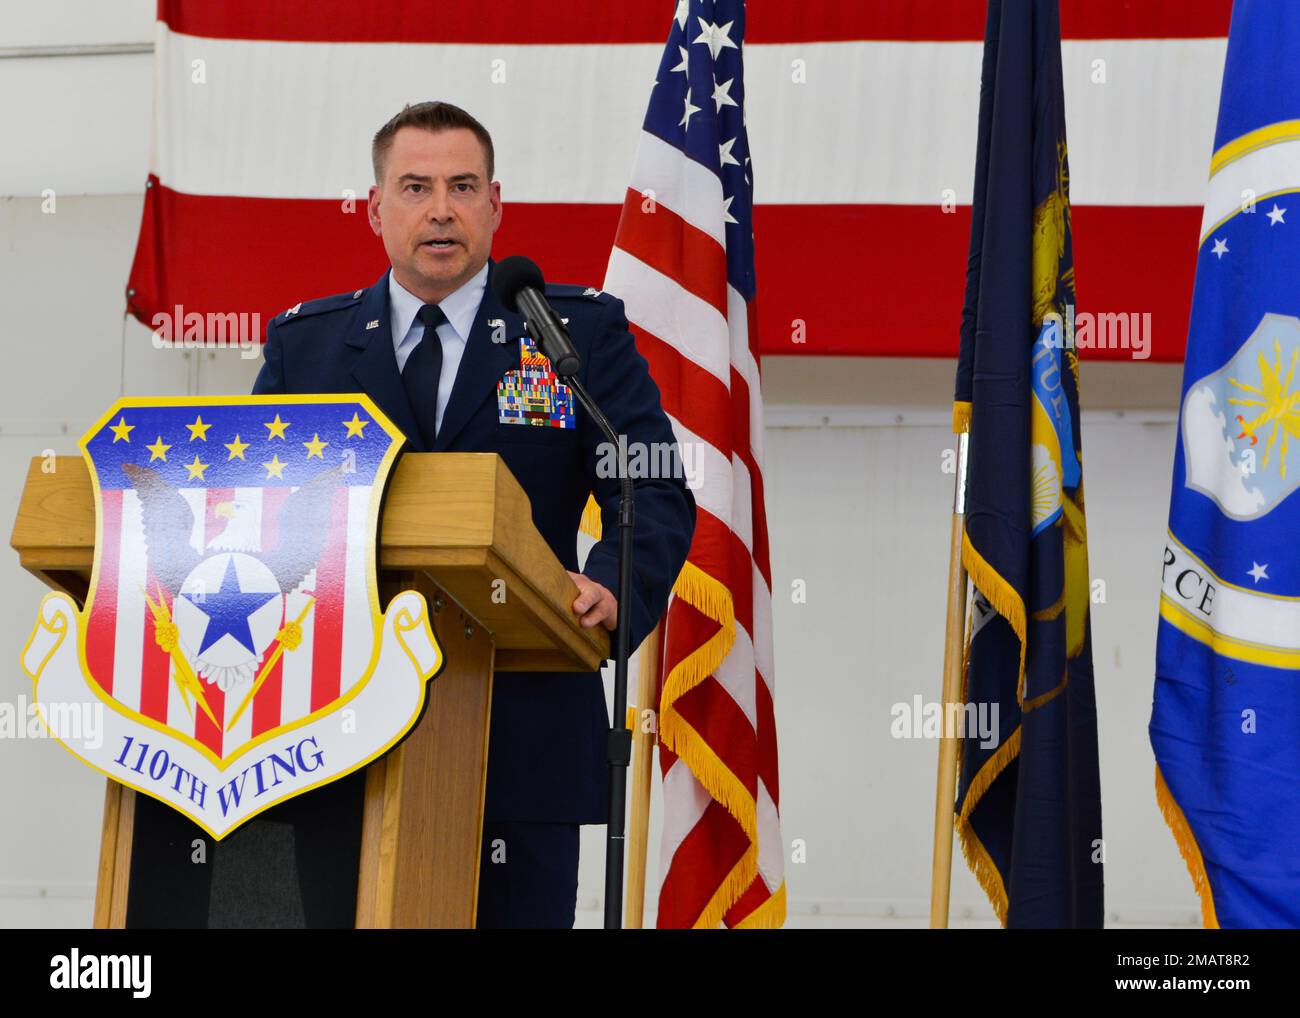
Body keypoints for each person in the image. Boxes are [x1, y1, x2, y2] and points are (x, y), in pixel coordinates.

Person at [127, 101, 694, 929]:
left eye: (463, 187)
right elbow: (244, 514)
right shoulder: (307, 347)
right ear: (375, 208)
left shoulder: (571, 334)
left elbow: (648, 483)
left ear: (495, 205)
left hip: (523, 724)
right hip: (336, 734)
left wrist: (614, 585)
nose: (440, 209)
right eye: (416, 187)